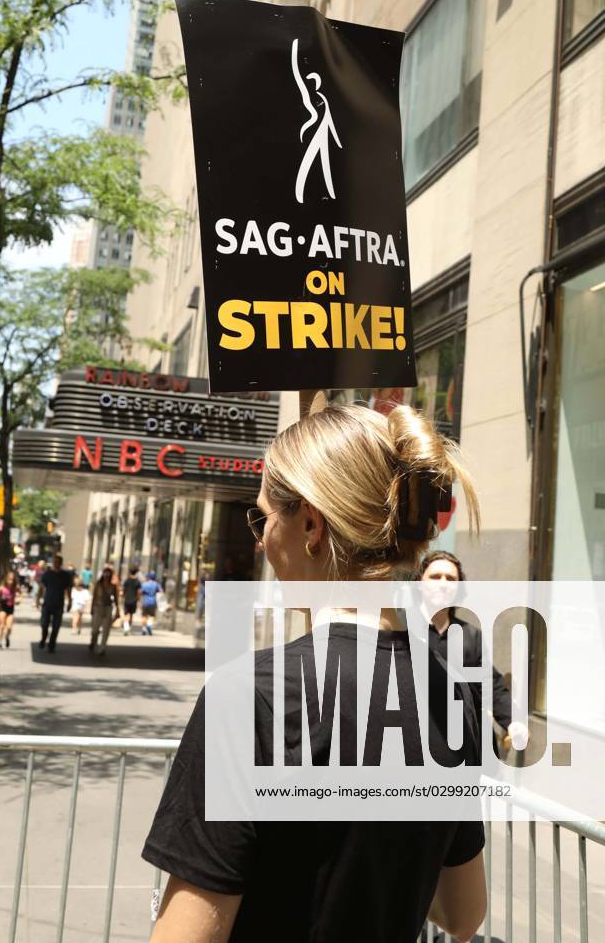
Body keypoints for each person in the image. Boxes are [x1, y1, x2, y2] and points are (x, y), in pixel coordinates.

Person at [142, 404, 487, 943]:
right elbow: (463, 914)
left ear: (310, 523)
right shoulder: (449, 690)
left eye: (261, 518)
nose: (258, 541)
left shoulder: (252, 695)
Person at [420, 550, 528, 754]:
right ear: (420, 583)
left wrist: (513, 721)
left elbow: (489, 683)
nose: (443, 584)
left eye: (451, 579)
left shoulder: (470, 635)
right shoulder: (400, 626)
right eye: (435, 577)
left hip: (460, 745)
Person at [36, 554, 72, 653]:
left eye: (58, 562)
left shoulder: (65, 575)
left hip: (59, 604)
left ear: (60, 563)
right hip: (47, 603)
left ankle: (52, 644)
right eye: (55, 561)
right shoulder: (47, 574)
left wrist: (70, 601)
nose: (56, 563)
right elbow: (41, 587)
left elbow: (68, 589)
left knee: (56, 626)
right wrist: (38, 599)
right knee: (44, 624)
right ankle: (43, 638)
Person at [89, 565, 119, 655]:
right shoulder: (98, 584)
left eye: (109, 574)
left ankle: (102, 647)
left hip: (108, 608)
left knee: (106, 629)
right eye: (106, 573)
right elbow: (94, 597)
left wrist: (118, 611)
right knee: (95, 629)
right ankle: (93, 641)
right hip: (98, 607)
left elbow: (116, 599)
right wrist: (92, 608)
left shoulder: (113, 586)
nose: (107, 575)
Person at [0, 569, 20, 649]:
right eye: (9, 579)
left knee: (9, 627)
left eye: (12, 580)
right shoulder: (2, 587)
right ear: (6, 579)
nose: (11, 581)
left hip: (10, 608)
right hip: (2, 607)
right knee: (2, 626)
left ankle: (7, 637)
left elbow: (20, 593)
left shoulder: (15, 587)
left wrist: (19, 599)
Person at [140, 570, 162, 635]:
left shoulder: (144, 584)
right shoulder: (156, 584)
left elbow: (141, 592)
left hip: (145, 601)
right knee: (152, 615)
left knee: (144, 616)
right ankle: (149, 625)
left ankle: (144, 628)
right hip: (153, 601)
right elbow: (161, 591)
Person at [122, 565, 142, 635]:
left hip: (127, 599)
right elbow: (139, 592)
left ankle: (126, 627)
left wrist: (123, 596)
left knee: (126, 614)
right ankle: (128, 627)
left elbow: (123, 590)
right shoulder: (138, 582)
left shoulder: (127, 580)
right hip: (134, 600)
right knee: (131, 614)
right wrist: (139, 600)